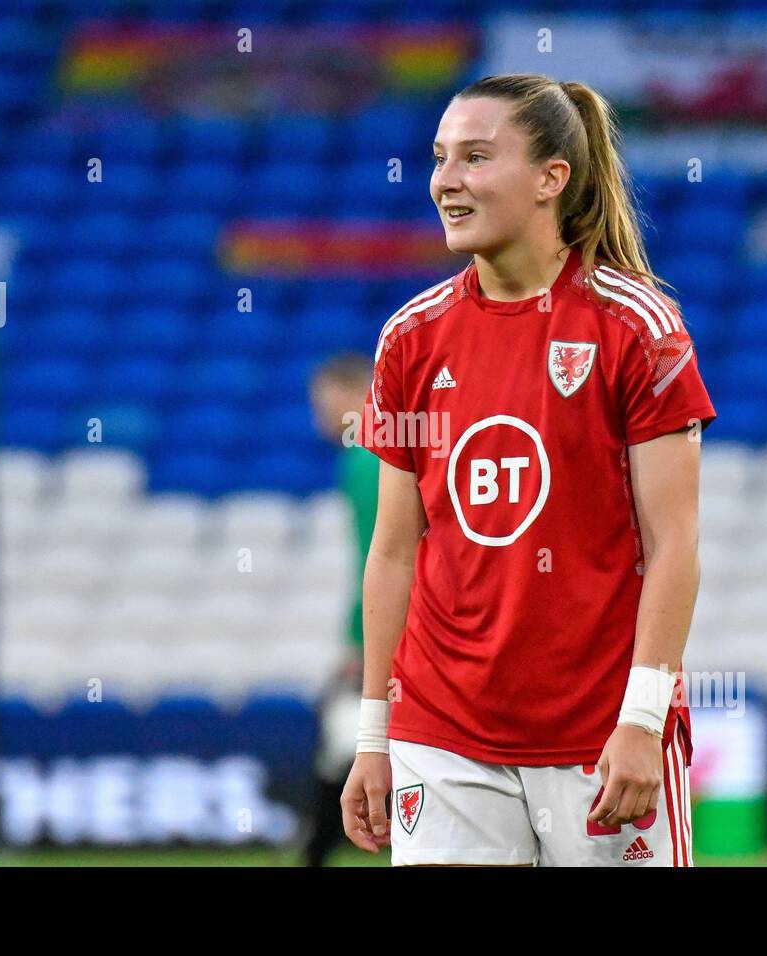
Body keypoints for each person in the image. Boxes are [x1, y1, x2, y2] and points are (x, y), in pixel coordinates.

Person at [340, 74, 717, 866]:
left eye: (477, 157)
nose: (447, 180)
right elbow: (394, 552)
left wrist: (643, 722)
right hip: (441, 735)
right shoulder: (409, 339)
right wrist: (373, 734)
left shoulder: (637, 327)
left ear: (553, 179)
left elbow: (675, 544)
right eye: (440, 158)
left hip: (601, 736)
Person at [302, 354, 381, 866]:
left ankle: (315, 853)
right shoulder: (388, 452)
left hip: (392, 638)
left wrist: (363, 643)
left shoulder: (368, 461)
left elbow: (383, 561)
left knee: (340, 742)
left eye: (325, 404)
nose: (319, 419)